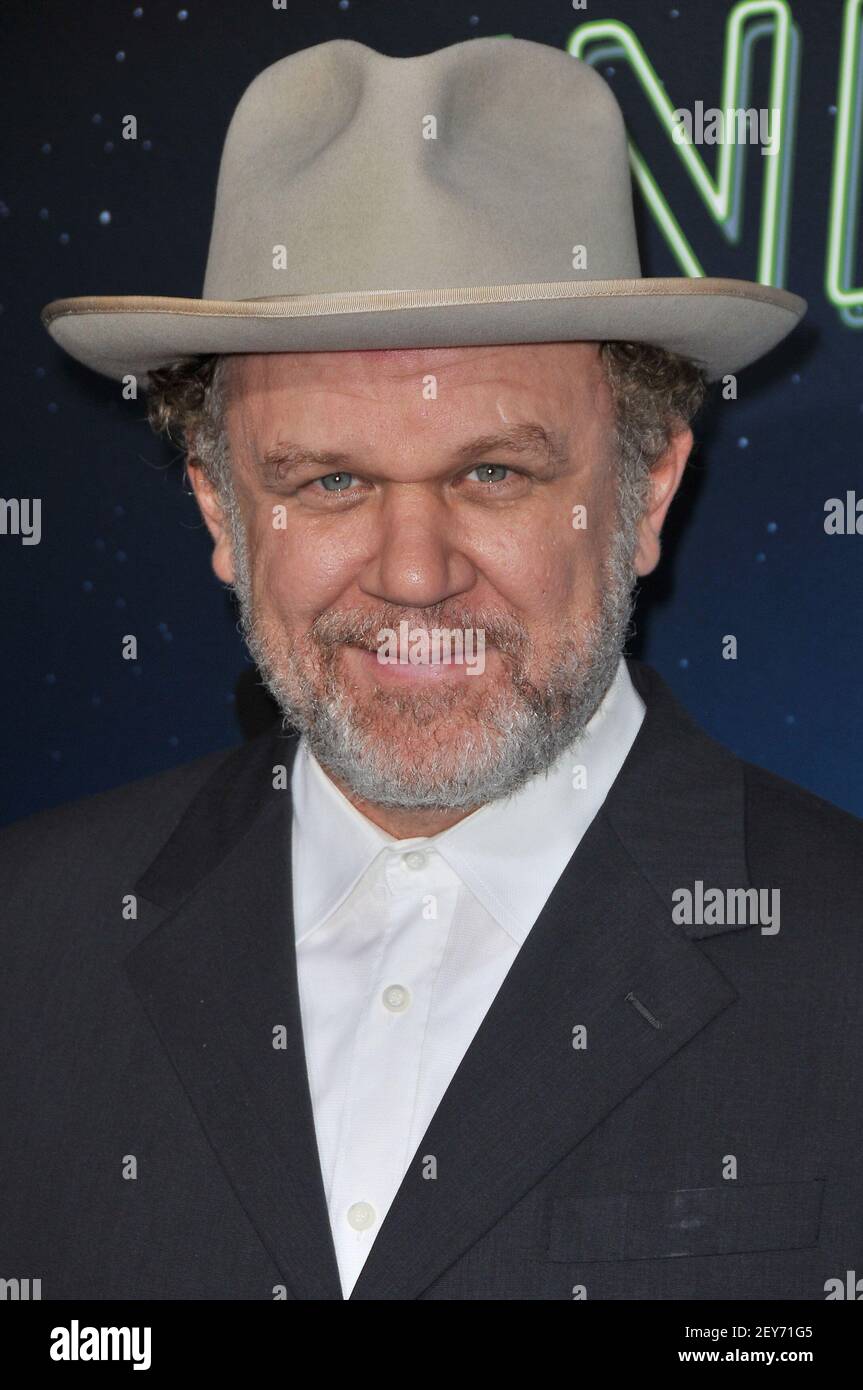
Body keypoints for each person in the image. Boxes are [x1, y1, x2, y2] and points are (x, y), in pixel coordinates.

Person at [2, 36, 860, 1302]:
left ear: (645, 491)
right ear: (218, 511)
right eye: (328, 481)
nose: (412, 574)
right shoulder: (26, 947)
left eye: (491, 473)